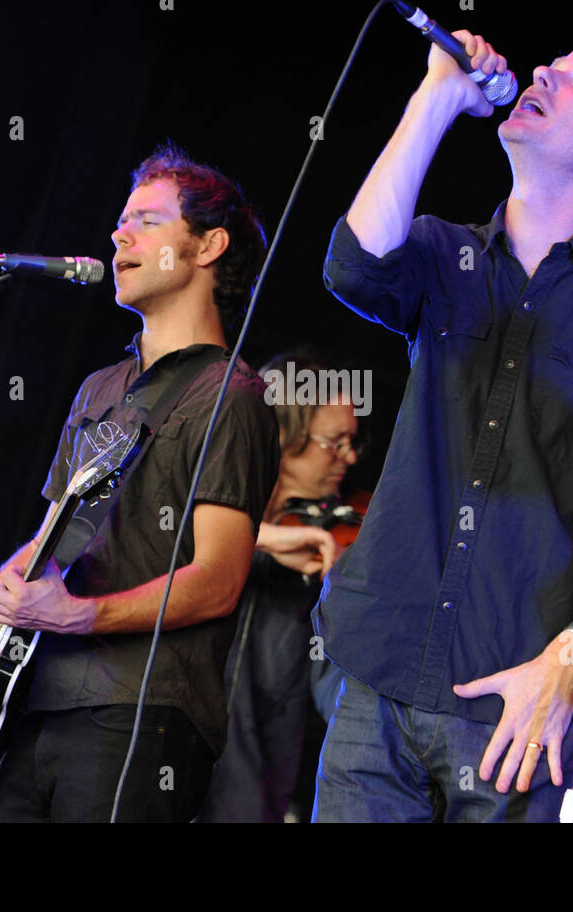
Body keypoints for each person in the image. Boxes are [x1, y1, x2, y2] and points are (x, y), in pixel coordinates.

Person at [311, 22, 573, 822]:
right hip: (378, 675)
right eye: (552, 63)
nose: (544, 71)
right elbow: (354, 266)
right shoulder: (444, 255)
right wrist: (436, 97)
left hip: (517, 708)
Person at [0, 143, 279, 822]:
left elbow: (219, 578)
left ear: (208, 246)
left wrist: (80, 615)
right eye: (121, 220)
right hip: (38, 701)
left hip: (140, 715)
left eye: (146, 220)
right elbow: (51, 543)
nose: (119, 234)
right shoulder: (100, 389)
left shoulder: (232, 396)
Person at [199, 352, 366, 822]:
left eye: (352, 443)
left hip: (252, 791)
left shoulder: (345, 539)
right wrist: (258, 537)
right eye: (334, 443)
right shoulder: (197, 504)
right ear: (284, 438)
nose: (349, 458)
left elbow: (336, 691)